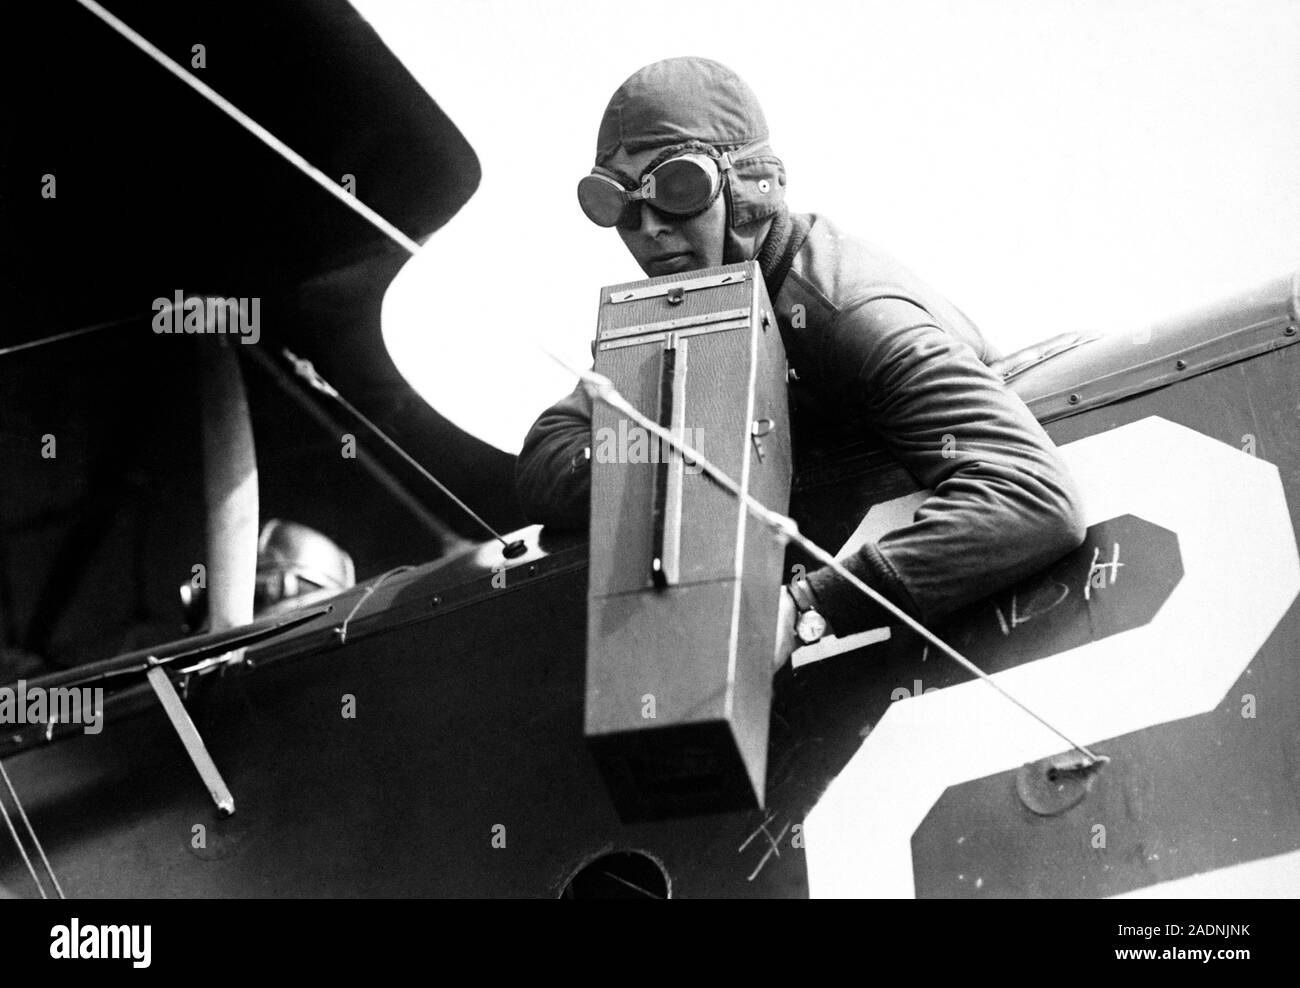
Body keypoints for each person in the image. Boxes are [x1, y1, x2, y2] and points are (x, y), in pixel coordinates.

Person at [516, 56, 1086, 669]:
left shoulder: (848, 312)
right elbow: (549, 456)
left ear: (746, 190)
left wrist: (806, 610)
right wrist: (695, 446)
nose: (649, 229)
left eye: (679, 190)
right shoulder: (683, 307)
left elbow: (1032, 497)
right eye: (622, 206)